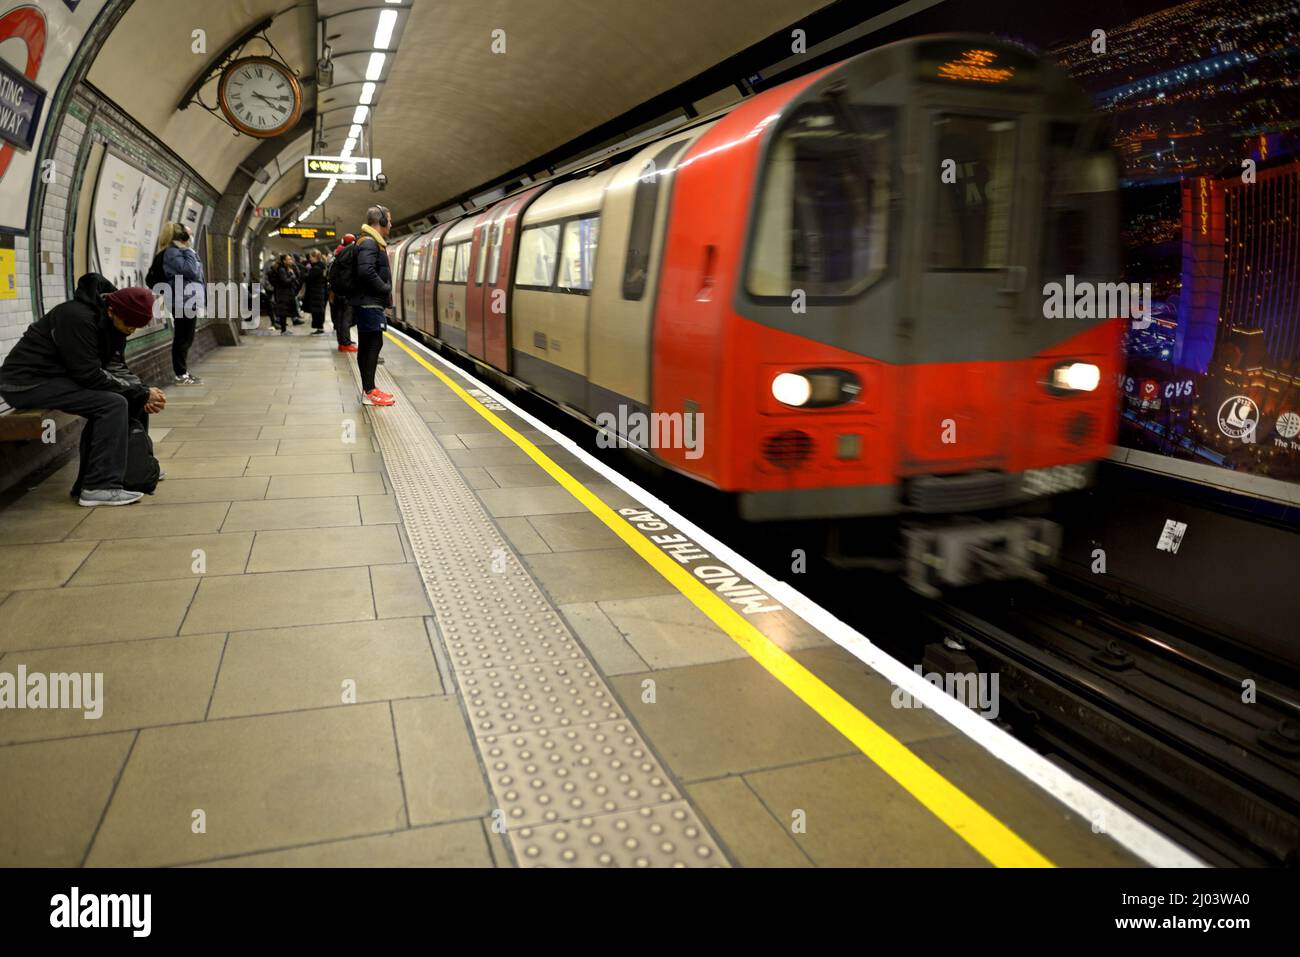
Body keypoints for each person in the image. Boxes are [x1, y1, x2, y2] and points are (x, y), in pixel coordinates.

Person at [0, 277, 165, 506]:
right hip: (26, 382)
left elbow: (115, 367)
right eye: (129, 325)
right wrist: (138, 392)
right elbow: (89, 375)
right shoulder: (76, 318)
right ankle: (98, 485)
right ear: (111, 311)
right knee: (112, 404)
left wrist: (143, 392)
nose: (131, 330)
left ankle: (134, 464)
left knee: (132, 396)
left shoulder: (117, 322)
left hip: (58, 378)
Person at [350, 206, 395, 406]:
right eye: (389, 220)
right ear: (382, 221)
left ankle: (369, 389)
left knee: (369, 345)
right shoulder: (370, 243)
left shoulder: (370, 241)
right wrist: (384, 288)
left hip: (367, 301)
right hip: (369, 302)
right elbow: (366, 271)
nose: (391, 224)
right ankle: (370, 391)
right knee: (372, 344)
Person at [162, 223, 204, 384]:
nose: (191, 237)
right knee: (182, 337)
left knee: (187, 337)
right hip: (181, 300)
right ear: (182, 236)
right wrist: (188, 251)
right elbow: (191, 271)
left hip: (189, 299)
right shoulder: (173, 253)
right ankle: (180, 374)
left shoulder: (182, 252)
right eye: (189, 234)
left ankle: (183, 372)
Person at [331, 233, 357, 353]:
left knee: (340, 317)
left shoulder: (338, 253)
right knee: (346, 318)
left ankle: (342, 342)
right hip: (346, 293)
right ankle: (345, 343)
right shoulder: (350, 254)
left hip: (338, 291)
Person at [272, 254, 300, 335]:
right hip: (283, 294)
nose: (290, 261)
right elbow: (285, 281)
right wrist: (292, 276)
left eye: (291, 259)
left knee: (285, 311)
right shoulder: (282, 270)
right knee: (283, 312)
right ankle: (283, 330)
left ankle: (284, 330)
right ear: (284, 261)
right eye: (288, 259)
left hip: (286, 293)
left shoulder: (286, 269)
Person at [302, 250, 328, 336]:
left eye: (310, 257)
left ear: (314, 257)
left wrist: (306, 273)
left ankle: (319, 328)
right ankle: (319, 328)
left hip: (316, 291)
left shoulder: (316, 268)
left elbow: (309, 278)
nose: (309, 259)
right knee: (318, 310)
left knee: (317, 310)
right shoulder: (320, 266)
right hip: (319, 291)